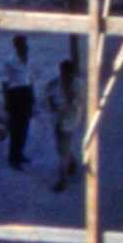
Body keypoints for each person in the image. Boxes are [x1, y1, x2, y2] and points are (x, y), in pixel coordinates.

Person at [50, 48, 83, 192]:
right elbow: (51, 95)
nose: (63, 76)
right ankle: (72, 162)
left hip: (70, 120)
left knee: (64, 148)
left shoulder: (78, 85)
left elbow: (74, 105)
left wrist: (66, 89)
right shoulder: (57, 82)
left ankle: (62, 180)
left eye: (66, 74)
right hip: (59, 117)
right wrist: (52, 103)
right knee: (59, 146)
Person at [2, 34, 36, 171]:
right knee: (16, 128)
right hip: (15, 94)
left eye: (25, 43)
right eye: (22, 44)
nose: (25, 46)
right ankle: (13, 157)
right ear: (16, 45)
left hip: (26, 92)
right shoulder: (9, 61)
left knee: (25, 126)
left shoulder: (28, 58)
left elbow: (29, 77)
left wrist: (32, 94)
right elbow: (4, 82)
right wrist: (6, 102)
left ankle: (20, 153)